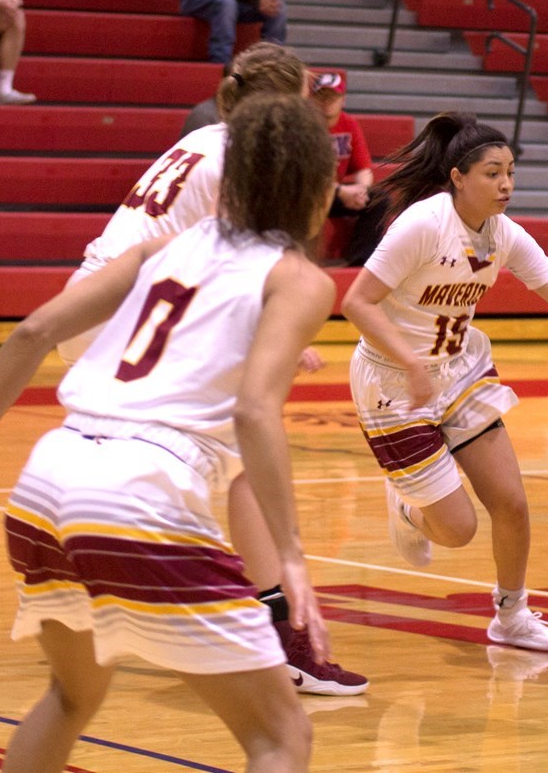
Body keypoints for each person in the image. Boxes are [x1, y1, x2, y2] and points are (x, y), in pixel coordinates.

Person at [0, 94, 336, 773]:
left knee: (71, 696)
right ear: (317, 186)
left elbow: (34, 330)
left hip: (48, 477)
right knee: (281, 737)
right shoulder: (300, 278)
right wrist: (292, 555)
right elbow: (254, 411)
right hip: (142, 491)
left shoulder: (164, 246)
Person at [59, 41, 368, 697]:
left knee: (205, 457)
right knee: (247, 455)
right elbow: (233, 263)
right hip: (124, 307)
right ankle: (283, 631)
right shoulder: (241, 157)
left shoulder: (205, 137)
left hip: (94, 300)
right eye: (305, 96)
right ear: (280, 101)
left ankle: (95, 576)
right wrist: (276, 327)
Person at [339, 113, 548, 653]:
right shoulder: (422, 224)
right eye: (493, 173)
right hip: (393, 381)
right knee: (458, 530)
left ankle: (511, 614)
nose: (506, 184)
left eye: (510, 172)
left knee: (511, 502)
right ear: (459, 177)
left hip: (458, 369)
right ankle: (409, 508)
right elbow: (356, 303)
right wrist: (411, 364)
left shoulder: (504, 234)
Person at [310, 68, 375, 263]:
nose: (327, 102)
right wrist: (340, 191)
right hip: (311, 194)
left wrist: (362, 190)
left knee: (379, 200)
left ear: (343, 100)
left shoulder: (350, 124)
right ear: (312, 99)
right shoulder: (304, 125)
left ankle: (361, 262)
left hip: (336, 194)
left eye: (333, 97)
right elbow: (305, 178)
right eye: (322, 96)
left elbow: (363, 168)